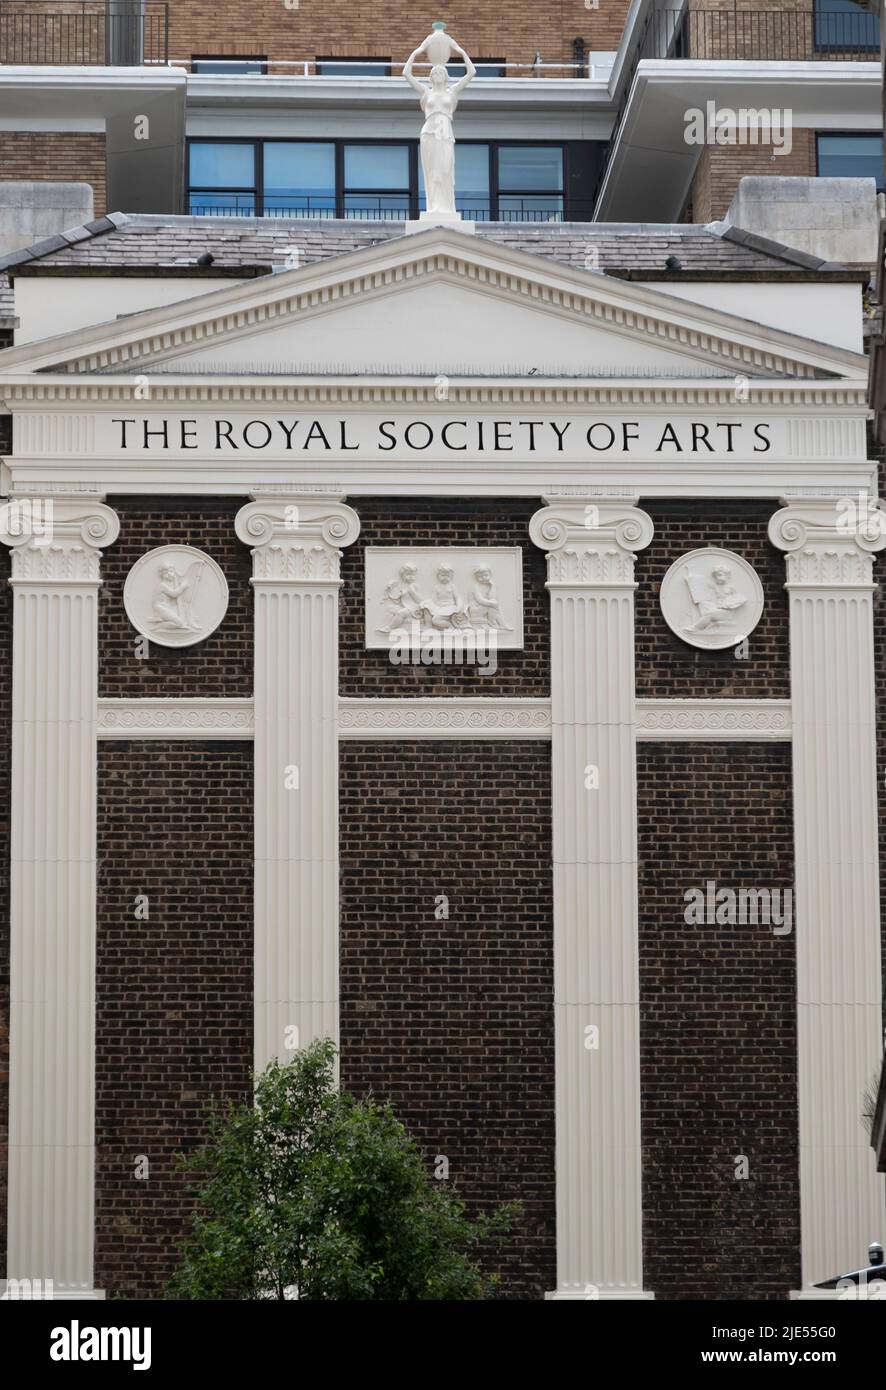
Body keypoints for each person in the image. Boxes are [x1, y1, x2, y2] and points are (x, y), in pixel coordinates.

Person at [403, 40, 476, 217]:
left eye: (440, 72)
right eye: (434, 72)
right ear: (430, 77)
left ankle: (445, 207)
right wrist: (418, 51)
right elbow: (406, 73)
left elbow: (471, 72)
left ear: (446, 76)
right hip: (429, 132)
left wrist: (459, 50)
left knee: (445, 169)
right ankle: (434, 207)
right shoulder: (426, 93)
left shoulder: (451, 92)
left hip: (445, 133)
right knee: (432, 171)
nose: (437, 74)